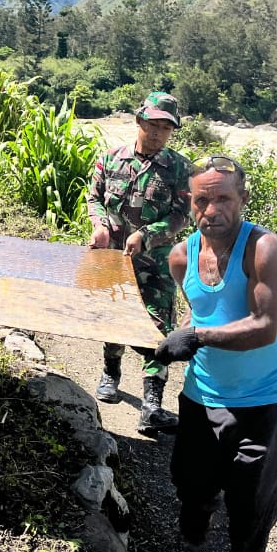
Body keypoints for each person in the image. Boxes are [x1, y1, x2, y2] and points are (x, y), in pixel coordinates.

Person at [153, 154, 277, 552]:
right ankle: (200, 504)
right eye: (202, 199)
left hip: (264, 401)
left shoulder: (263, 249)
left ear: (243, 199)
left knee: (252, 509)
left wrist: (195, 338)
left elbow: (262, 327)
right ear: (189, 202)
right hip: (202, 395)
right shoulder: (181, 256)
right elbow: (198, 309)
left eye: (223, 198)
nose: (211, 208)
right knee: (189, 482)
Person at [86, 91, 190, 433]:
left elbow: (181, 216)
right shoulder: (111, 159)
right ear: (139, 121)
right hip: (114, 258)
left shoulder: (178, 167)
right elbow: (94, 198)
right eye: (152, 123)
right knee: (114, 319)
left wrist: (148, 234)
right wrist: (99, 225)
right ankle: (110, 372)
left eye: (166, 126)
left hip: (156, 264)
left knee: (157, 330)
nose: (158, 132)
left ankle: (152, 405)